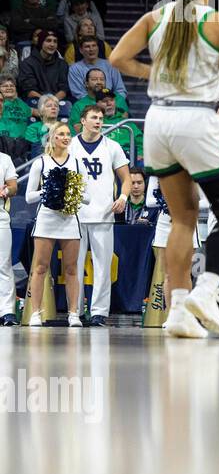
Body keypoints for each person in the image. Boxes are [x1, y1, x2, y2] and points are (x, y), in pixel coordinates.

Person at [109, 0, 219, 338]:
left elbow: (118, 57)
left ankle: (177, 312)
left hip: (157, 120)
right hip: (196, 119)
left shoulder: (155, 18)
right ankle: (207, 291)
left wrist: (149, 71)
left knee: (182, 217)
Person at [67, 105, 129, 327]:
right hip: (74, 214)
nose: (98, 121)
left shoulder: (112, 146)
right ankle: (76, 310)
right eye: (94, 117)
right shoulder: (70, 145)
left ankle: (99, 312)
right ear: (82, 120)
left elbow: (126, 177)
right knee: (73, 265)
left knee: (103, 266)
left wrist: (123, 197)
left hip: (104, 212)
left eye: (101, 118)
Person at [23, 123, 81, 327]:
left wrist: (73, 193)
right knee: (40, 267)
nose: (66, 137)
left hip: (69, 219)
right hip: (47, 219)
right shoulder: (41, 162)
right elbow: (29, 197)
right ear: (52, 138)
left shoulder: (76, 162)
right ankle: (35, 313)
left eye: (68, 134)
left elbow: (88, 197)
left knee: (72, 269)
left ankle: (73, 314)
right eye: (61, 134)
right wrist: (48, 191)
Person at [0, 144, 16, 323]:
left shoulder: (4, 159)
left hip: (1, 219)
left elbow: (13, 186)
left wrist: (6, 190)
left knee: (3, 265)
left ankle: (7, 312)